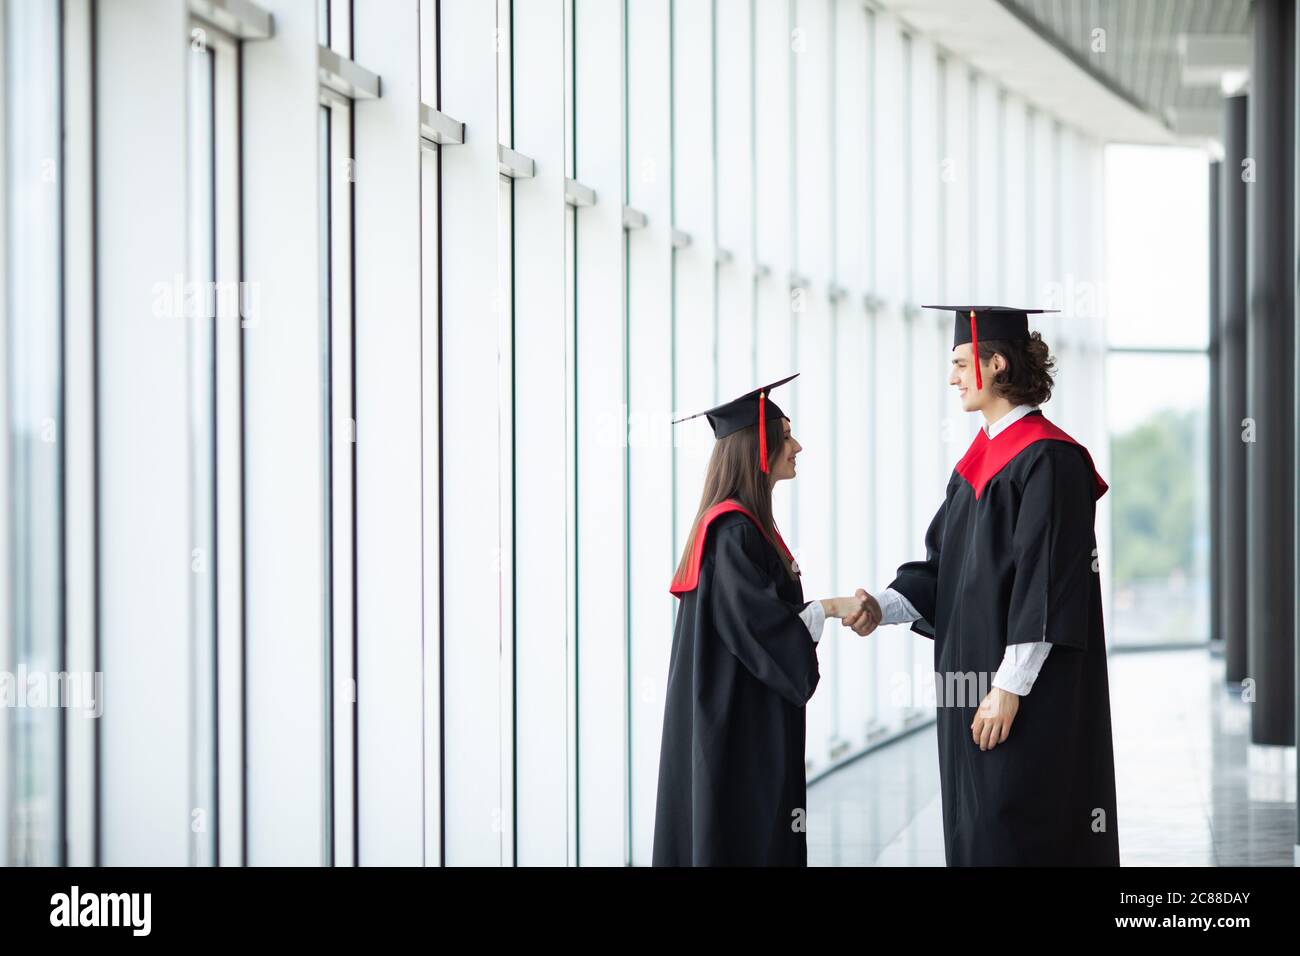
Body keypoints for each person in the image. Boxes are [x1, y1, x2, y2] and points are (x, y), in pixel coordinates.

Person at [845, 306, 1120, 866]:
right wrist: (884, 605)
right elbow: (944, 568)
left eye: (959, 363)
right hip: (969, 692)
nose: (951, 378)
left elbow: (1045, 582)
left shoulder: (1049, 458)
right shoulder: (978, 460)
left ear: (996, 364)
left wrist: (1010, 687)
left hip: (1024, 695)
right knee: (975, 829)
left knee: (1018, 825)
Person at [652, 373, 875, 866]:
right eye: (786, 436)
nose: (797, 446)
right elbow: (767, 635)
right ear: (759, 449)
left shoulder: (742, 526)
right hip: (737, 729)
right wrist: (829, 608)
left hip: (740, 716)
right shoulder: (732, 532)